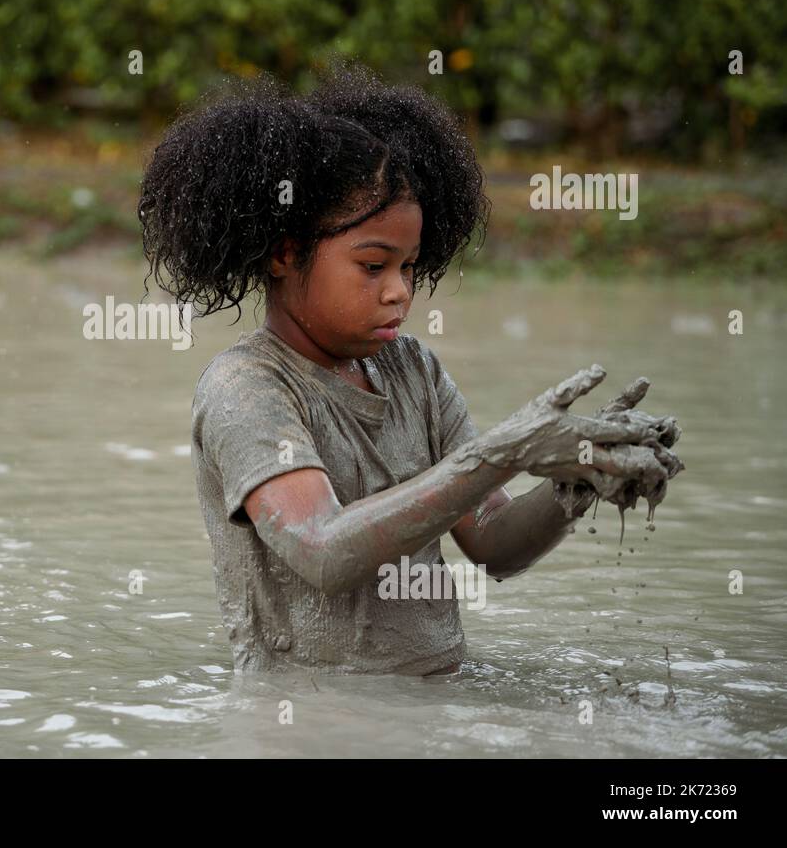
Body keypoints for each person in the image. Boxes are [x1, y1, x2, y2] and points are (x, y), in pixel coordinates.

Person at [137, 62, 684, 675]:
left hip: (436, 707)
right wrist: (503, 453)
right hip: (312, 721)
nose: (401, 292)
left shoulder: (413, 370)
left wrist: (577, 478)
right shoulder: (247, 388)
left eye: (410, 267)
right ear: (284, 255)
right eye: (374, 266)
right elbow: (321, 549)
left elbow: (495, 543)